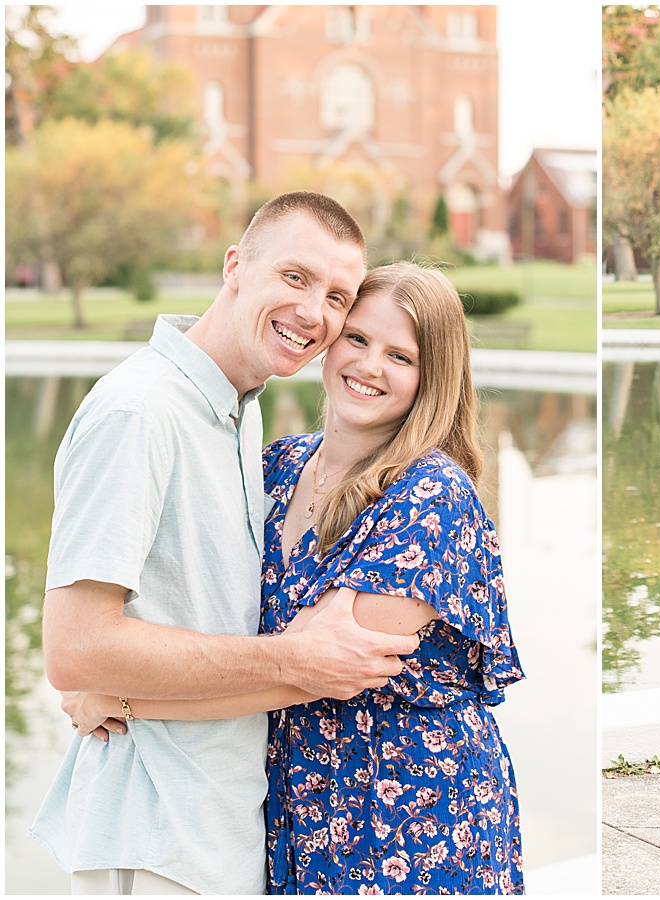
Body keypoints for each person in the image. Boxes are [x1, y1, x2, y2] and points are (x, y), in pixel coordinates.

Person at [66, 262, 526, 894]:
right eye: (358, 339)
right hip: (292, 806)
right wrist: (105, 658)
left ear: (433, 377)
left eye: (401, 356)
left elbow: (308, 674)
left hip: (409, 817)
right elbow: (232, 625)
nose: (369, 367)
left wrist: (118, 698)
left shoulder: (429, 494)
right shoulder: (278, 467)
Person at [32, 192, 423, 896]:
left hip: (217, 830)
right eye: (295, 278)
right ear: (235, 266)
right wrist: (297, 658)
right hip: (154, 832)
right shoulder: (140, 410)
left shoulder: (238, 412)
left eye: (338, 297)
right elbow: (75, 649)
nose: (315, 314)